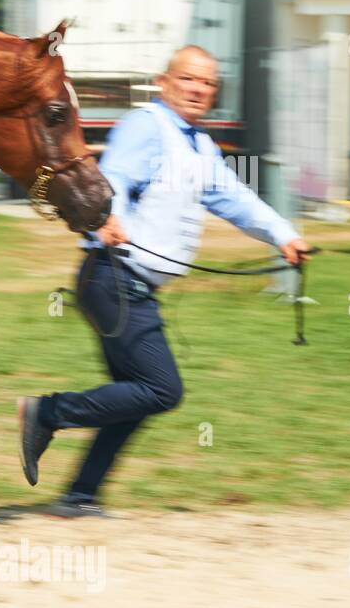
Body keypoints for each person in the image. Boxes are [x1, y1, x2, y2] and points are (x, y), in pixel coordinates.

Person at [17, 45, 311, 517]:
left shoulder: (199, 144)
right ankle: (46, 413)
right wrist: (105, 219)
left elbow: (233, 198)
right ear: (164, 81)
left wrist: (283, 236)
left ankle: (79, 496)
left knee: (133, 397)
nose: (199, 90)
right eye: (189, 79)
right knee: (161, 389)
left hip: (129, 285)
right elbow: (111, 179)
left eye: (208, 83)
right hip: (115, 277)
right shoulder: (146, 126)